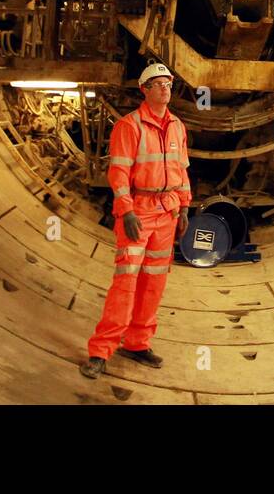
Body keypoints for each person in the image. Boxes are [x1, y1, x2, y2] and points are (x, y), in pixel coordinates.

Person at [80, 62, 191, 378]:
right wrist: (126, 210)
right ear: (144, 90)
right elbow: (117, 172)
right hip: (139, 211)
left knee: (154, 282)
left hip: (166, 211)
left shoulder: (177, 127)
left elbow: (181, 171)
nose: (165, 89)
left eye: (168, 84)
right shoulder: (130, 126)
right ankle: (101, 351)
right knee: (125, 282)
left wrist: (184, 207)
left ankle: (138, 343)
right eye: (157, 84)